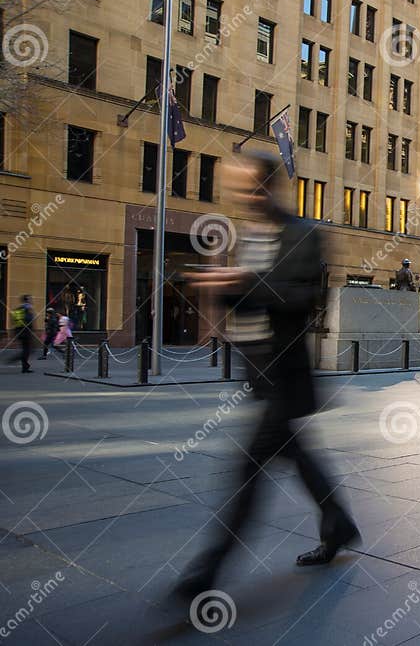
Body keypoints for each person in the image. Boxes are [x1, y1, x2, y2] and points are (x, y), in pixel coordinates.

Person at [174, 152, 358, 602]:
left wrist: (237, 282)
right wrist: (223, 289)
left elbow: (297, 298)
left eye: (252, 186)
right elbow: (250, 302)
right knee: (297, 455)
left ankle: (206, 572)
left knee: (247, 469)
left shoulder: (302, 235)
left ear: (271, 186)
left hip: (286, 375)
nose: (246, 196)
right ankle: (339, 524)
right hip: (260, 372)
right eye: (239, 188)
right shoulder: (252, 237)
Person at [11, 295, 35, 373]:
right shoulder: (27, 309)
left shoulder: (18, 309)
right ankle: (19, 362)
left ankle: (25, 367)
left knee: (26, 349)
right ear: (27, 300)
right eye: (30, 299)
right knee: (28, 350)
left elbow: (13, 321)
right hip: (26, 332)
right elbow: (29, 321)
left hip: (19, 331)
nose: (31, 300)